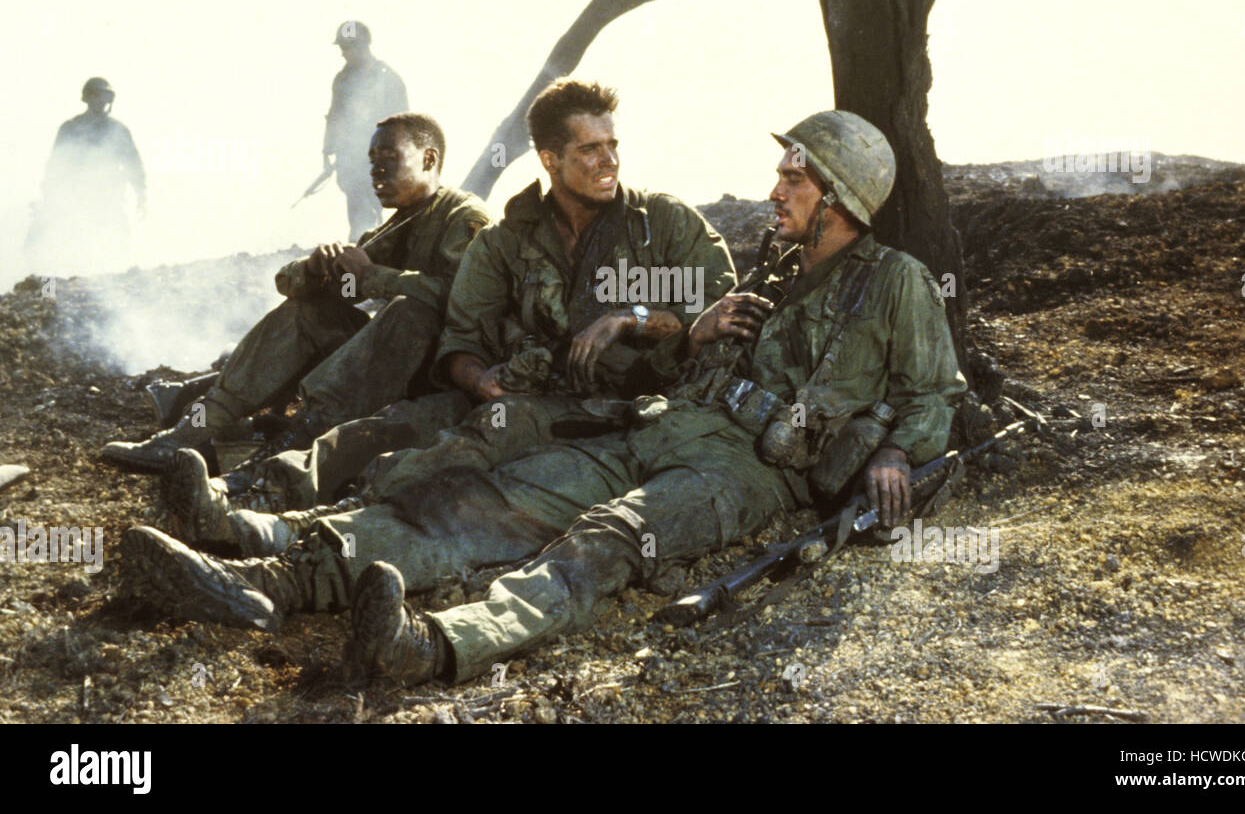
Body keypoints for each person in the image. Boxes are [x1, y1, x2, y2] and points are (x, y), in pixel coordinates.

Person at [121, 110, 966, 688]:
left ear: (839, 197)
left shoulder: (898, 284)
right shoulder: (773, 274)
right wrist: (696, 332)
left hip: (748, 470)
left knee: (603, 541)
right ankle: (275, 575)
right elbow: (671, 371)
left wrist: (894, 451)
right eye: (781, 174)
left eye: (794, 179)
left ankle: (437, 644)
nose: (776, 191)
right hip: (665, 425)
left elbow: (938, 394)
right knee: (494, 496)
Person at [157, 79, 735, 557]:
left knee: (447, 457)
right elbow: (460, 338)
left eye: (612, 144)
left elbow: (716, 306)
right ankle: (243, 490)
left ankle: (305, 535)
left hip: (623, 407)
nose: (608, 160)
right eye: (589, 149)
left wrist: (629, 317)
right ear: (550, 159)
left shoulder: (661, 222)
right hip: (523, 392)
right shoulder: (507, 243)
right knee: (385, 429)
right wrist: (476, 378)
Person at [102, 113, 490, 472]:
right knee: (311, 311)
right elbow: (302, 285)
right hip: (388, 363)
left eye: (389, 155)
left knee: (408, 312)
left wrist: (372, 276)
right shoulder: (397, 225)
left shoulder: (465, 216)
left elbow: (461, 300)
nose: (376, 167)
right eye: (372, 157)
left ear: (428, 159)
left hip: (440, 374)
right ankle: (187, 434)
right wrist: (315, 269)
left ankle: (276, 458)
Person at [26, 77, 146, 275]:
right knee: (55, 250)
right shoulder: (70, 129)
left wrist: (141, 194)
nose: (101, 101)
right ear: (88, 98)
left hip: (109, 198)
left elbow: (134, 163)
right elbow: (56, 165)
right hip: (74, 198)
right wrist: (50, 198)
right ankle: (50, 294)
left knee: (114, 247)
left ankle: (109, 292)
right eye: (97, 96)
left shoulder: (117, 130)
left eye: (104, 97)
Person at [321, 21, 409, 240]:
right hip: (350, 160)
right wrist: (327, 150)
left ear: (361, 46)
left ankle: (367, 251)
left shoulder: (388, 78)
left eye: (346, 48)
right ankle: (361, 247)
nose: (343, 54)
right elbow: (335, 116)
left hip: (380, 157)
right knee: (358, 206)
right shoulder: (342, 79)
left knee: (374, 209)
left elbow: (404, 121)